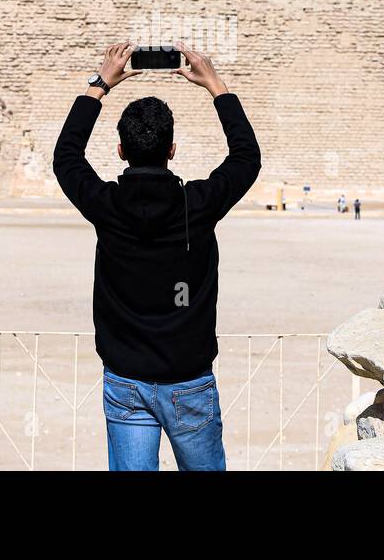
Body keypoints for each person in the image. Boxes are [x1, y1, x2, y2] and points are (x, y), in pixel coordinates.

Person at [54, 42, 260, 472]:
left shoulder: (105, 205)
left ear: (120, 151)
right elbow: (246, 157)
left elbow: (66, 157)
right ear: (172, 149)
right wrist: (215, 84)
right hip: (189, 380)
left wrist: (100, 85)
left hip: (124, 379)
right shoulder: (199, 205)